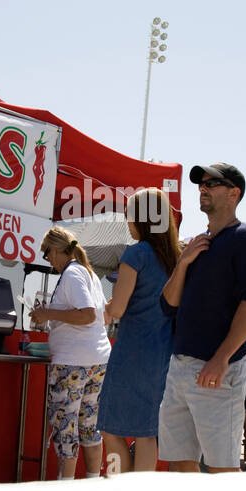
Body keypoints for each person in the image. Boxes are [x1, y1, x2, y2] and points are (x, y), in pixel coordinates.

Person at [159, 162, 246, 473]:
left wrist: (221, 358)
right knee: (179, 467)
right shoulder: (198, 244)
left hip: (218, 372)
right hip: (179, 368)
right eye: (201, 183)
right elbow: (168, 305)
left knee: (222, 470)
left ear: (234, 193)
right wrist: (183, 263)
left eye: (212, 183)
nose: (202, 188)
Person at [98, 187, 180, 474]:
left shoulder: (136, 254)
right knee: (147, 432)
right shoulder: (175, 258)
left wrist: (105, 308)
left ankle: (117, 487)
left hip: (131, 352)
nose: (127, 223)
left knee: (109, 428)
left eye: (129, 217)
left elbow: (118, 309)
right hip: (163, 355)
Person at [29, 227, 111, 480]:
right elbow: (100, 317)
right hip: (97, 358)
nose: (48, 260)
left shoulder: (73, 273)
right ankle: (91, 482)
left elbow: (87, 315)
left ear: (56, 249)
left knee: (66, 426)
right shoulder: (89, 274)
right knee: (89, 426)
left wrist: (48, 314)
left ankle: (67, 488)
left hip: (74, 362)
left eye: (47, 253)